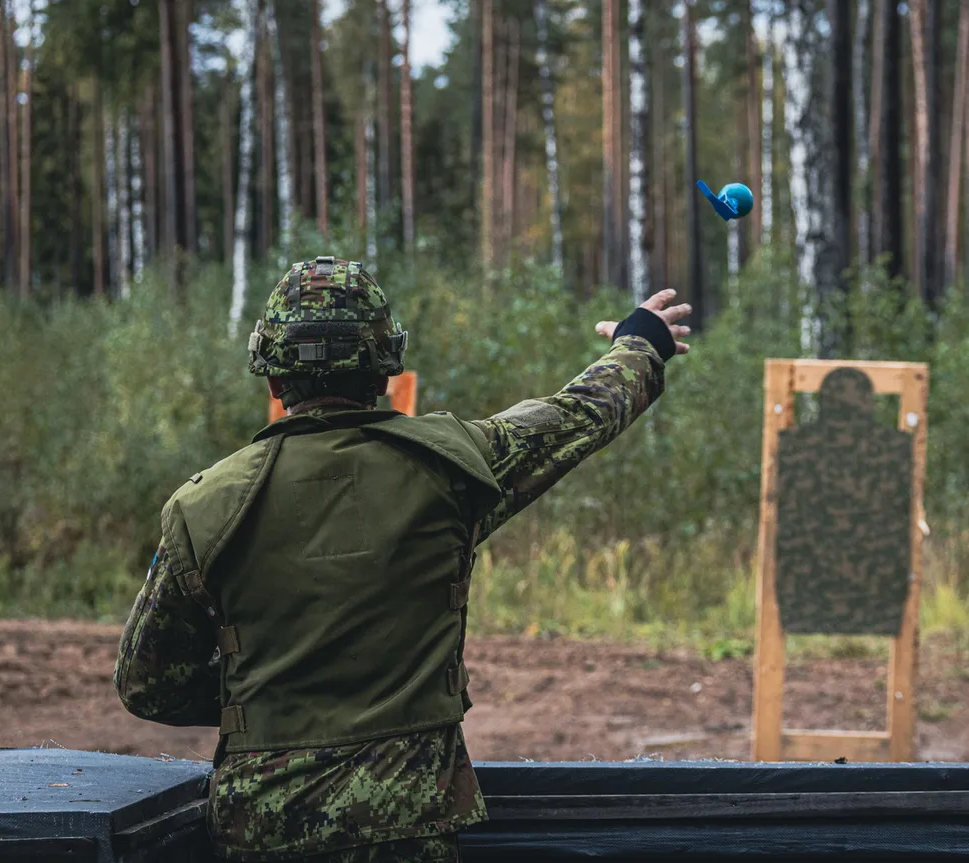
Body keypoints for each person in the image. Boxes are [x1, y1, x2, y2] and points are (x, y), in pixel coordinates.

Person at [114, 257, 691, 862]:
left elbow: (147, 686)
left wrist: (269, 690)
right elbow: (577, 415)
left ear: (271, 375)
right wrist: (640, 342)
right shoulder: (454, 467)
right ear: (386, 365)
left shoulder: (204, 507)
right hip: (410, 819)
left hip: (265, 825)